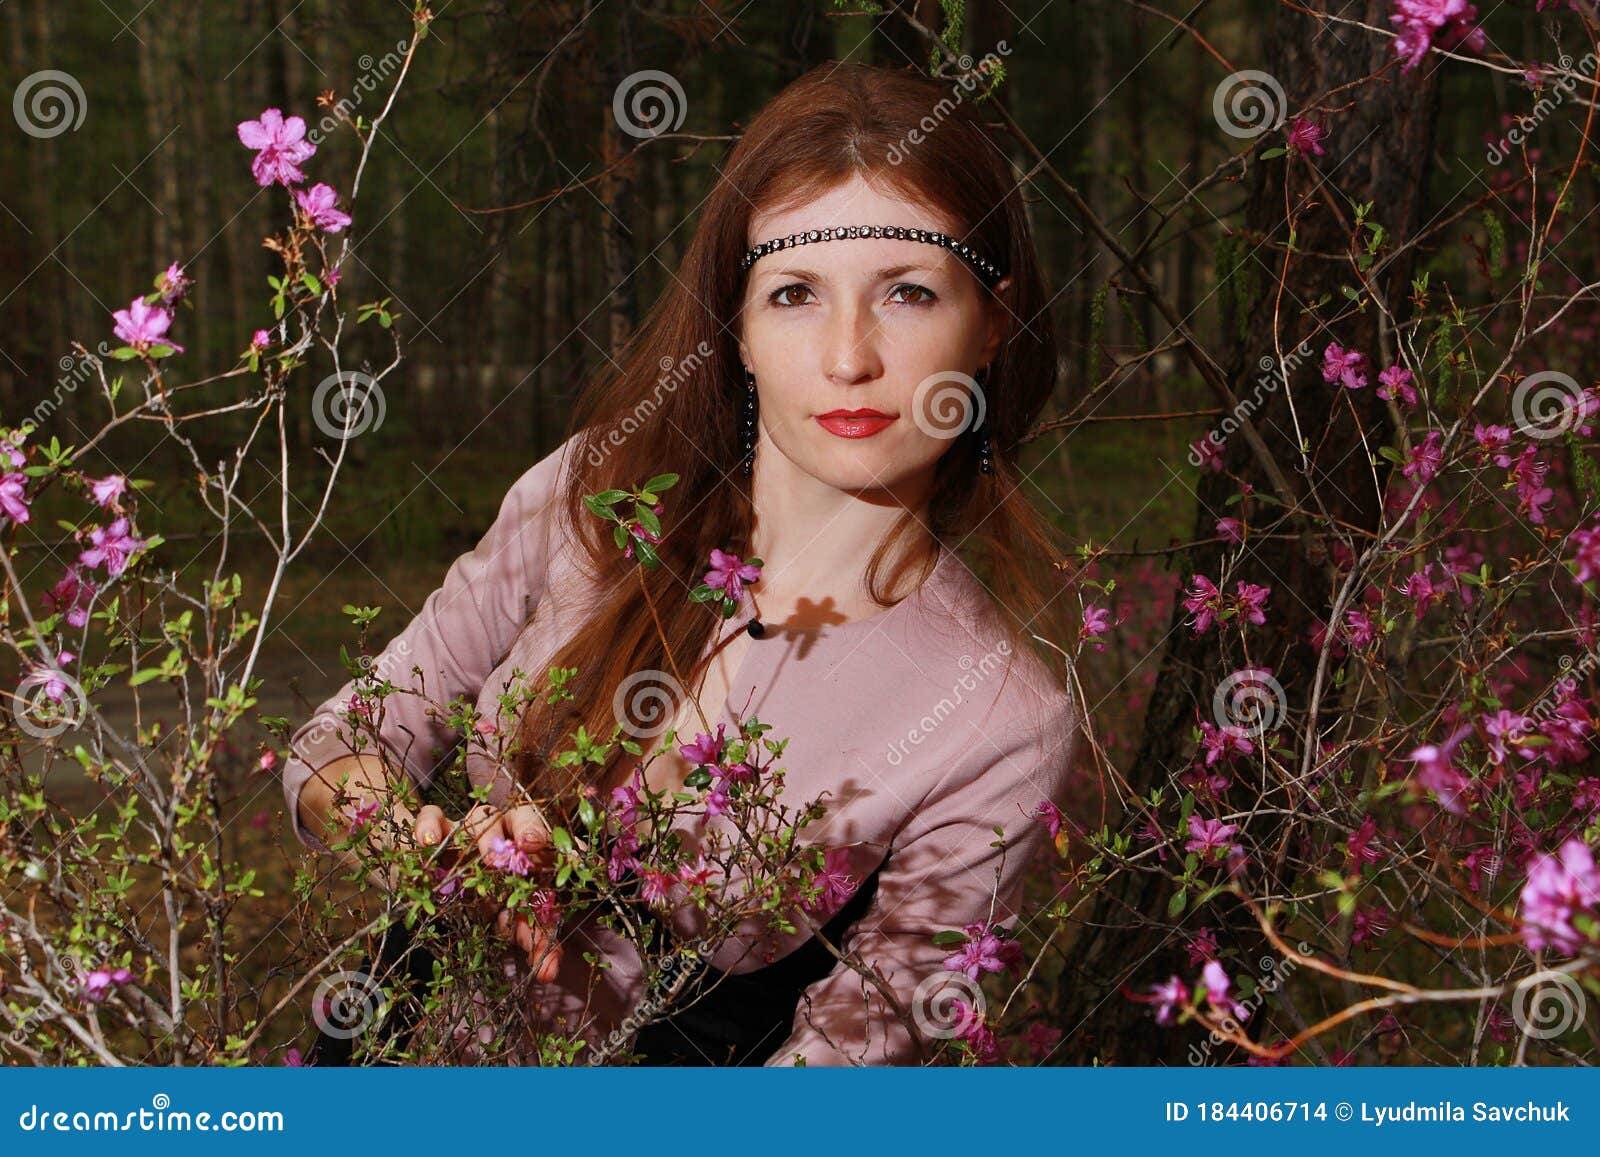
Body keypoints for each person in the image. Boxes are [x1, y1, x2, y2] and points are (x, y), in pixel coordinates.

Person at [282, 60, 1081, 1066]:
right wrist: (415, 840)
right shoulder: (587, 494)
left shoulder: (997, 714)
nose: (847, 357)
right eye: (793, 294)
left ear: (991, 320)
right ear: (737, 327)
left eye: (909, 293)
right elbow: (345, 737)